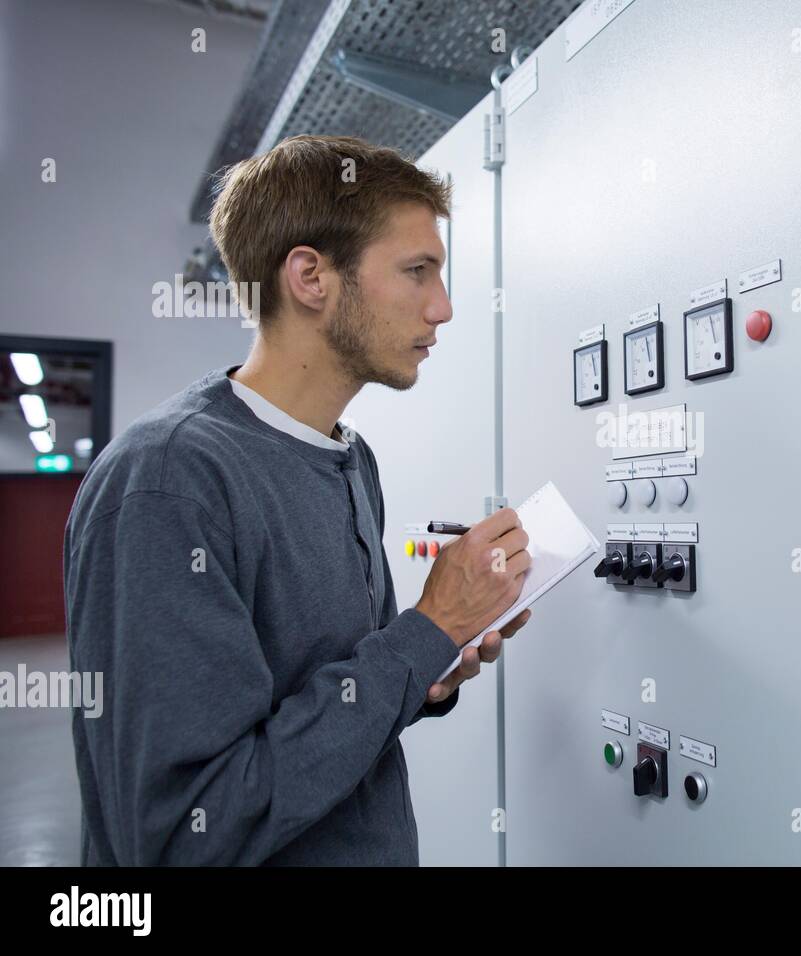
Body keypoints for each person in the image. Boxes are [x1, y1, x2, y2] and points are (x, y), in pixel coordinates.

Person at [63, 135, 531, 865]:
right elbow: (186, 832)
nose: (442, 307)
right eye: (417, 272)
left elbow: (332, 693)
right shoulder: (169, 482)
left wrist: (431, 662)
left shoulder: (348, 456)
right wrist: (424, 629)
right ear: (311, 277)